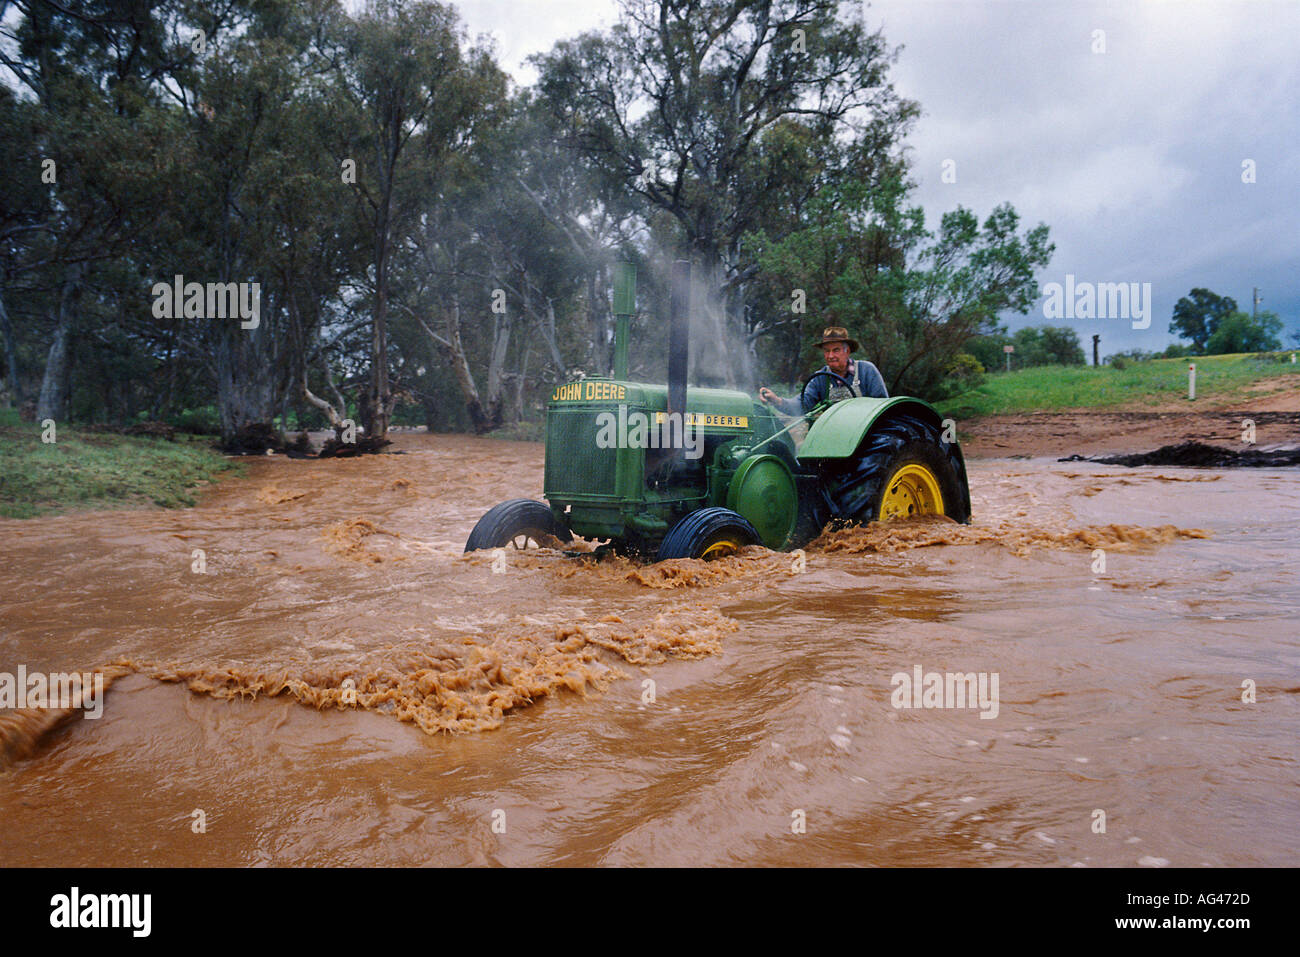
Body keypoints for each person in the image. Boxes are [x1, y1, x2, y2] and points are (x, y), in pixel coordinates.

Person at [758, 326, 888, 415]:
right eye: (827, 351)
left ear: (847, 351)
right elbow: (802, 405)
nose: (830, 356)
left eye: (835, 350)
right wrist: (777, 400)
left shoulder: (867, 371)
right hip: (834, 432)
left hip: (865, 433)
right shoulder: (820, 378)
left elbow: (882, 406)